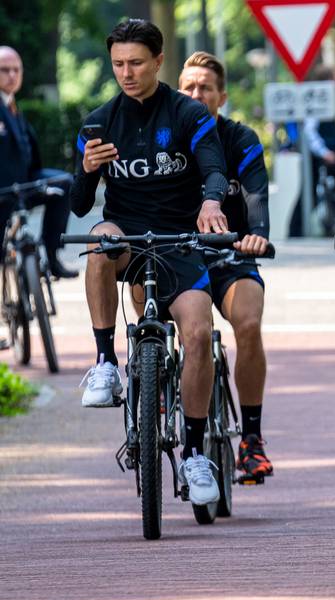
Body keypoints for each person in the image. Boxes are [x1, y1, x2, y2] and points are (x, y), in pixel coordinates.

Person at [73, 19, 229, 507]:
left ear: (159, 61)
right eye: (118, 63)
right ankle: (104, 361)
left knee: (199, 334)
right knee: (98, 240)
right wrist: (87, 169)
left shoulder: (188, 114)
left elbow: (214, 169)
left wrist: (210, 204)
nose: (126, 72)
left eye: (136, 62)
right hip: (129, 239)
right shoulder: (98, 123)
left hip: (181, 242)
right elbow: (80, 206)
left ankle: (196, 452)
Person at [177, 51, 274, 484]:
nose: (196, 94)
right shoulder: (166, 135)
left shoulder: (241, 139)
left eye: (205, 88)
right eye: (188, 87)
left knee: (249, 323)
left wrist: (256, 233)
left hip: (231, 256)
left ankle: (251, 441)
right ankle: (151, 380)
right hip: (176, 254)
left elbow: (256, 199)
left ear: (222, 96)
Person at [0, 46, 78, 279]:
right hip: (3, 191)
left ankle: (52, 255)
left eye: (16, 70)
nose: (12, 75)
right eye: (5, 70)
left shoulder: (11, 103)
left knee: (64, 183)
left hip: (25, 183)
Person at [284, 64, 335, 237]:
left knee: (331, 191)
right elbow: (309, 131)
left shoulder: (327, 101)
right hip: (321, 156)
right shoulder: (318, 101)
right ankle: (295, 230)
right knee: (310, 193)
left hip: (327, 154)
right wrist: (324, 152)